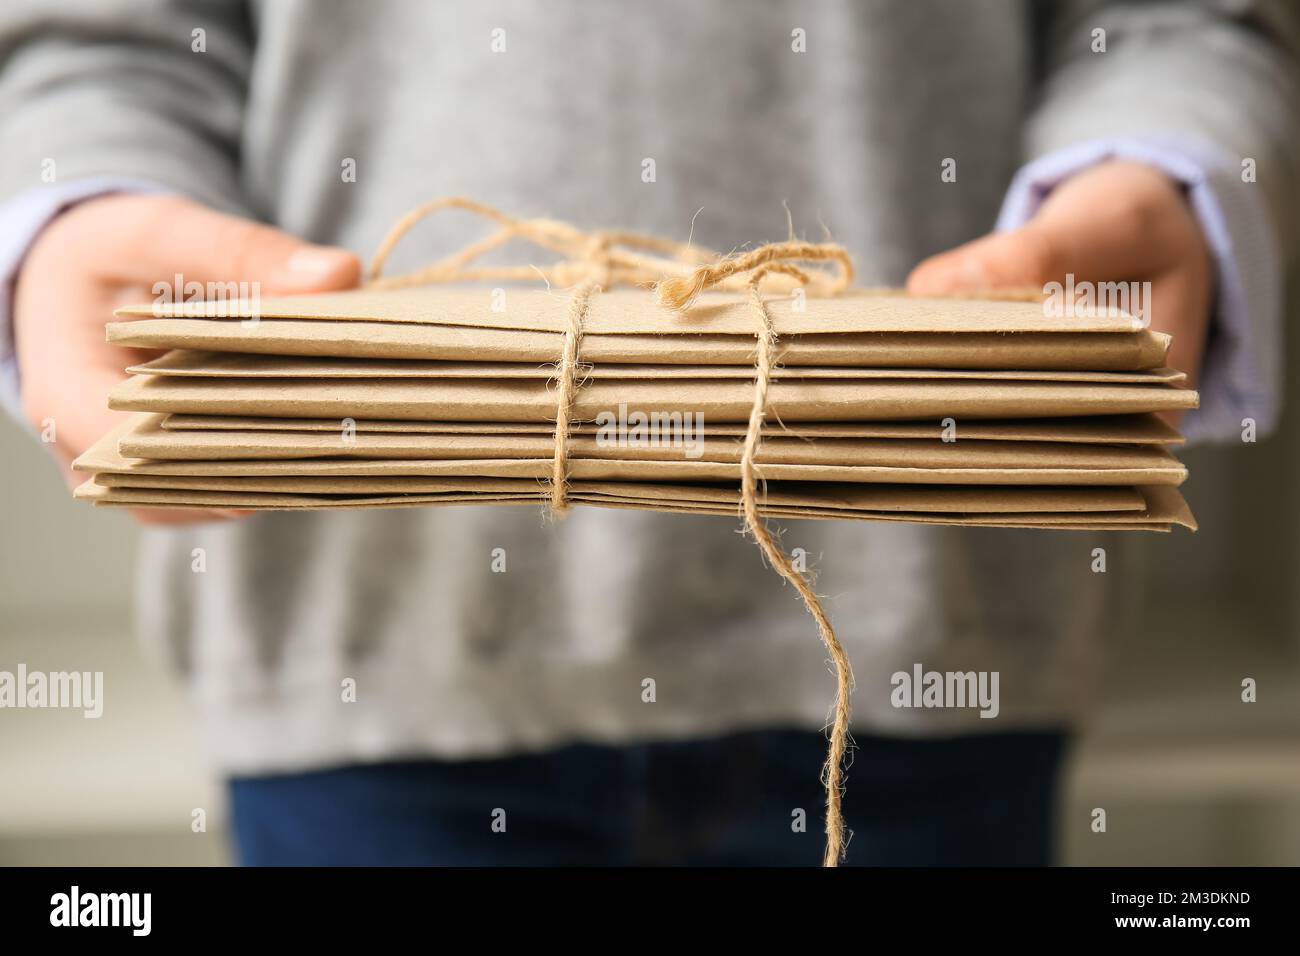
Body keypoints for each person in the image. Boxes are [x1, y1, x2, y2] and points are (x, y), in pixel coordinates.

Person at [1, 0, 1294, 865]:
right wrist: (74, 204)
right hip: (369, 666)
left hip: (930, 667)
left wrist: (1156, 170)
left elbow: (1177, 22)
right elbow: (97, 40)